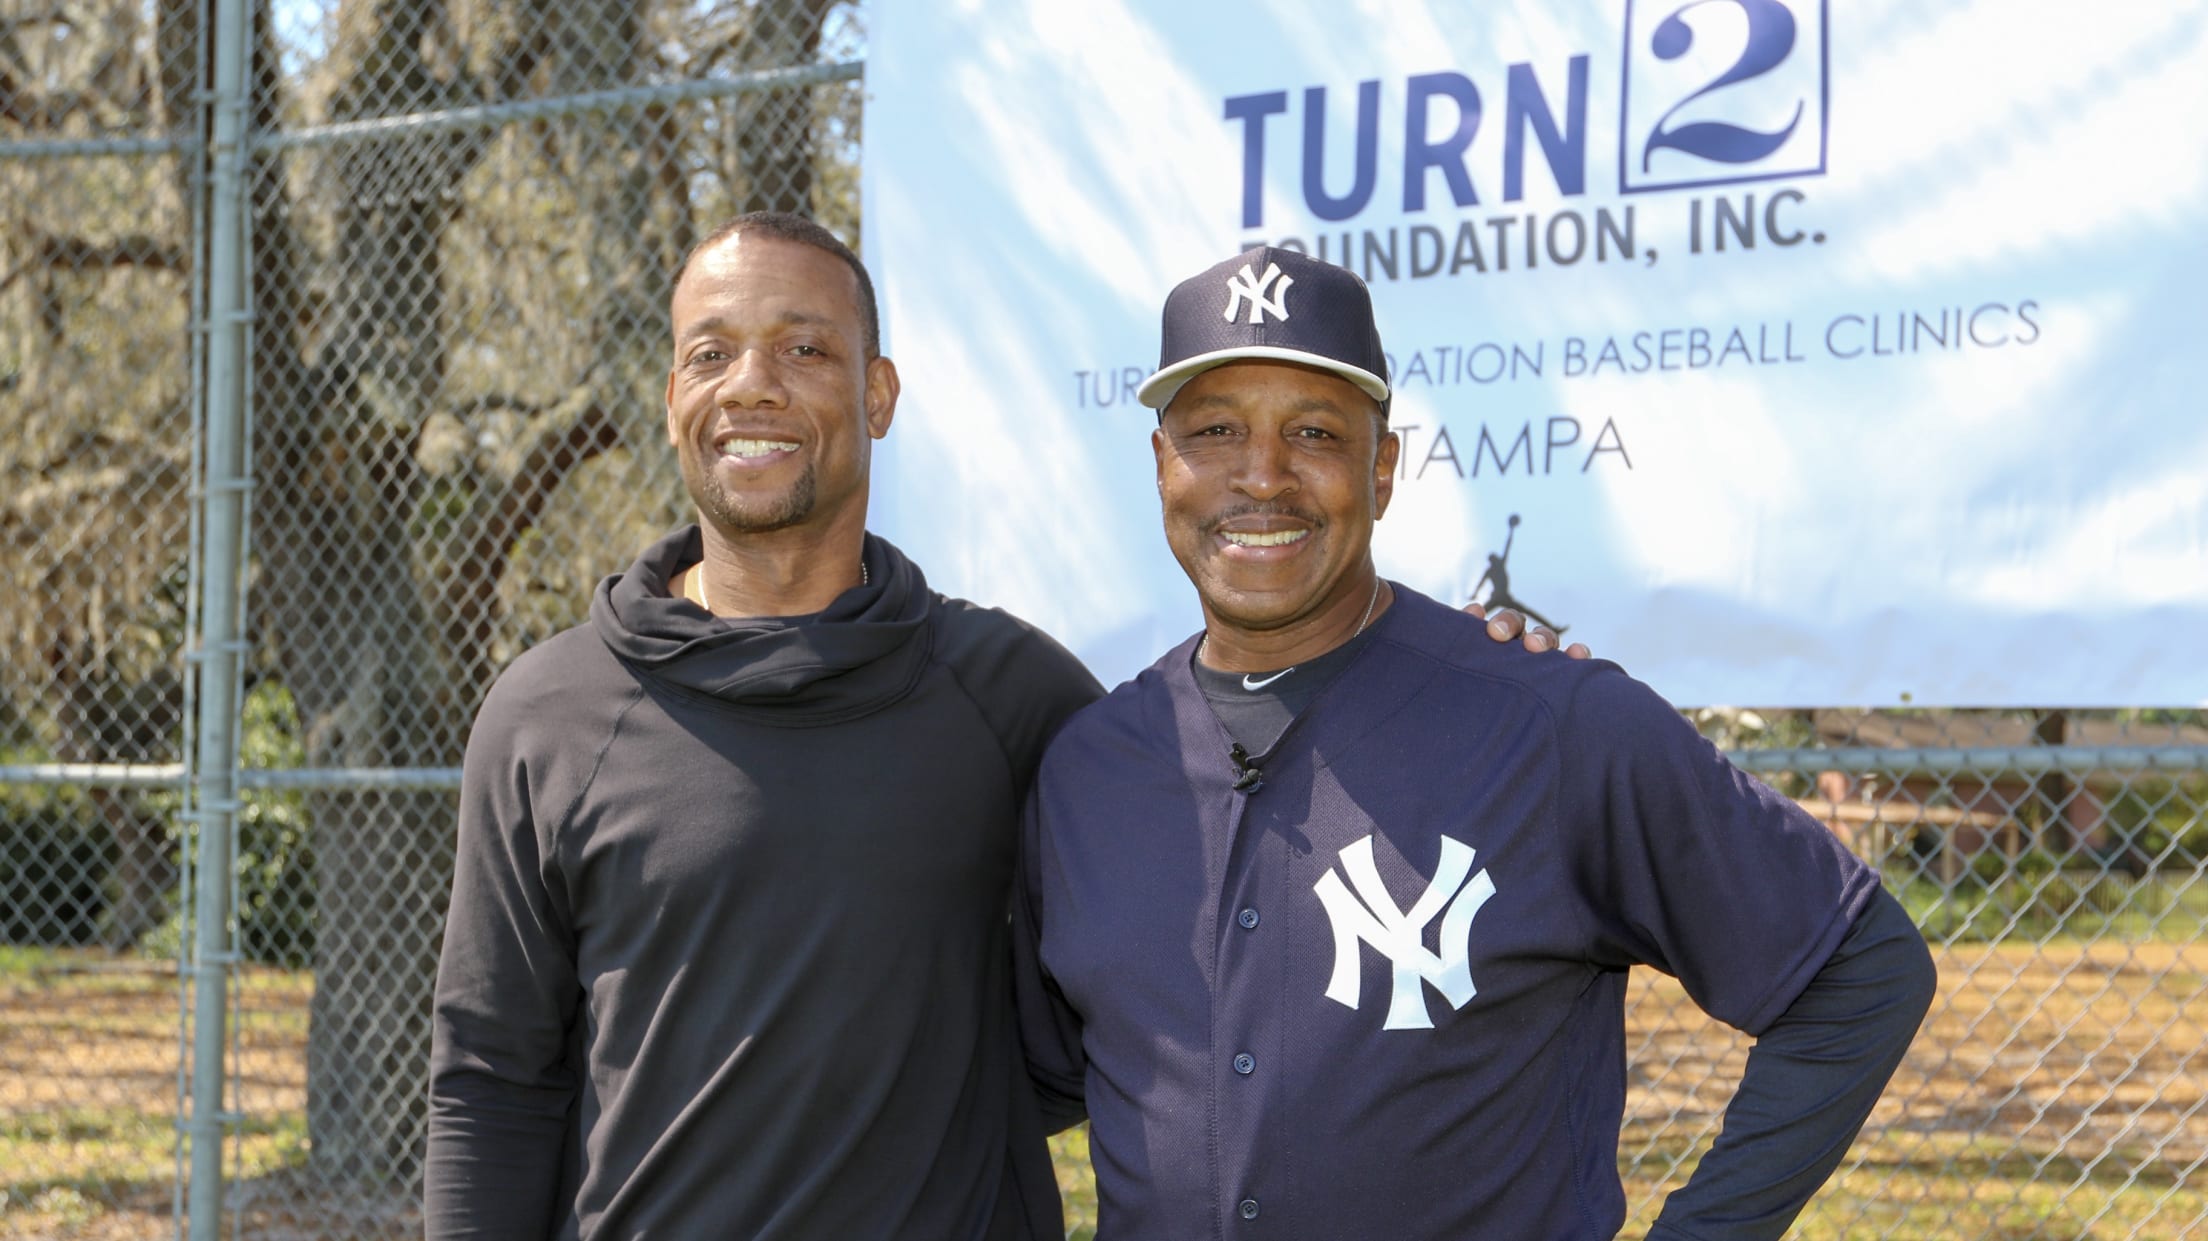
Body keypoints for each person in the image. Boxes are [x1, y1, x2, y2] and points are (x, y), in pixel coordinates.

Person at [423, 214, 1569, 1240]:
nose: (754, 384)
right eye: (711, 352)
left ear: (878, 394)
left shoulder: (1008, 689)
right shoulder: (548, 714)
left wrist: (1474, 673)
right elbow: (489, 1075)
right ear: (674, 396)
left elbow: (1248, 794)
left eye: (806, 347)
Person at [1012, 246, 1939, 1240]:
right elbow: (1053, 1070)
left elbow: (1860, 970)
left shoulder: (1550, 725)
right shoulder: (1089, 767)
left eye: (1315, 431)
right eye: (1216, 431)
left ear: (1383, 467)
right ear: (1163, 464)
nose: (1263, 474)